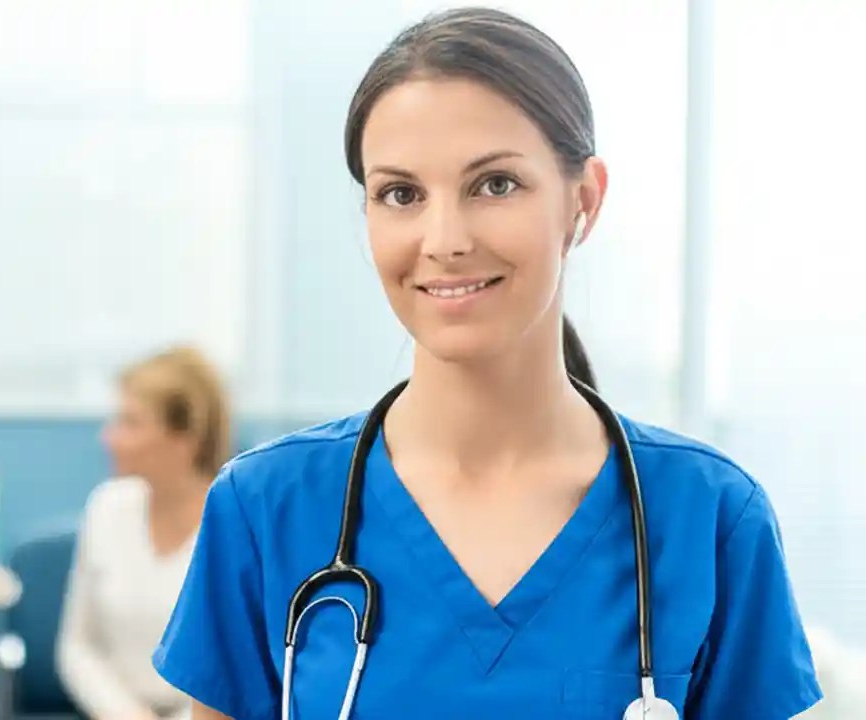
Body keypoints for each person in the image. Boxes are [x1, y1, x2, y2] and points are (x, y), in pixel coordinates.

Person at [152, 8, 822, 719]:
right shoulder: (266, 509)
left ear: (582, 201)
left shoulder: (709, 518)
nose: (444, 239)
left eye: (495, 184)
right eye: (401, 194)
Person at [57, 346, 233, 720]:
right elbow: (78, 646)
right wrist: (123, 713)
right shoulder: (107, 507)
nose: (110, 438)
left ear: (185, 437)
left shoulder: (233, 523)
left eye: (130, 423)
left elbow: (239, 669)